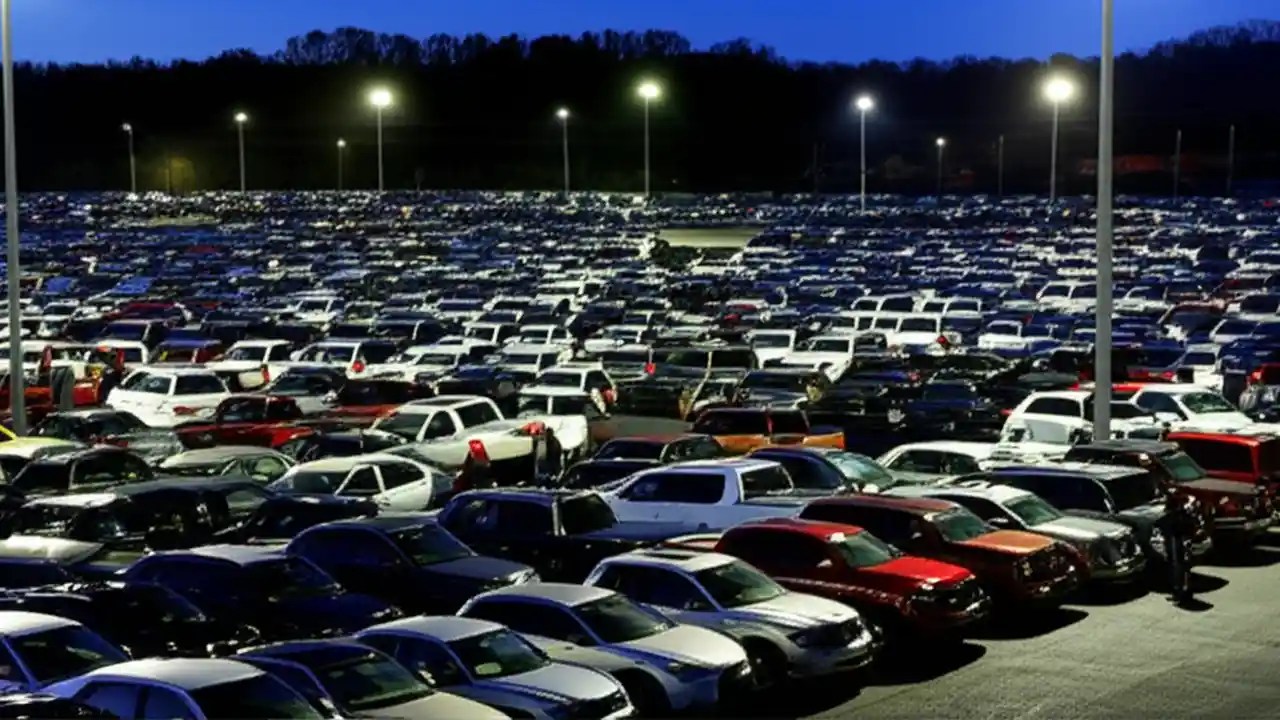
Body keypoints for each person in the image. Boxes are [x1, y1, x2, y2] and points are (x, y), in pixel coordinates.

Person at [1159, 487, 1197, 604]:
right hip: (1177, 542)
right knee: (1180, 568)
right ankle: (1179, 592)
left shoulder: (1178, 514)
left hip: (1178, 542)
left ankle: (1182, 593)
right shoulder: (1179, 513)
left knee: (1180, 568)